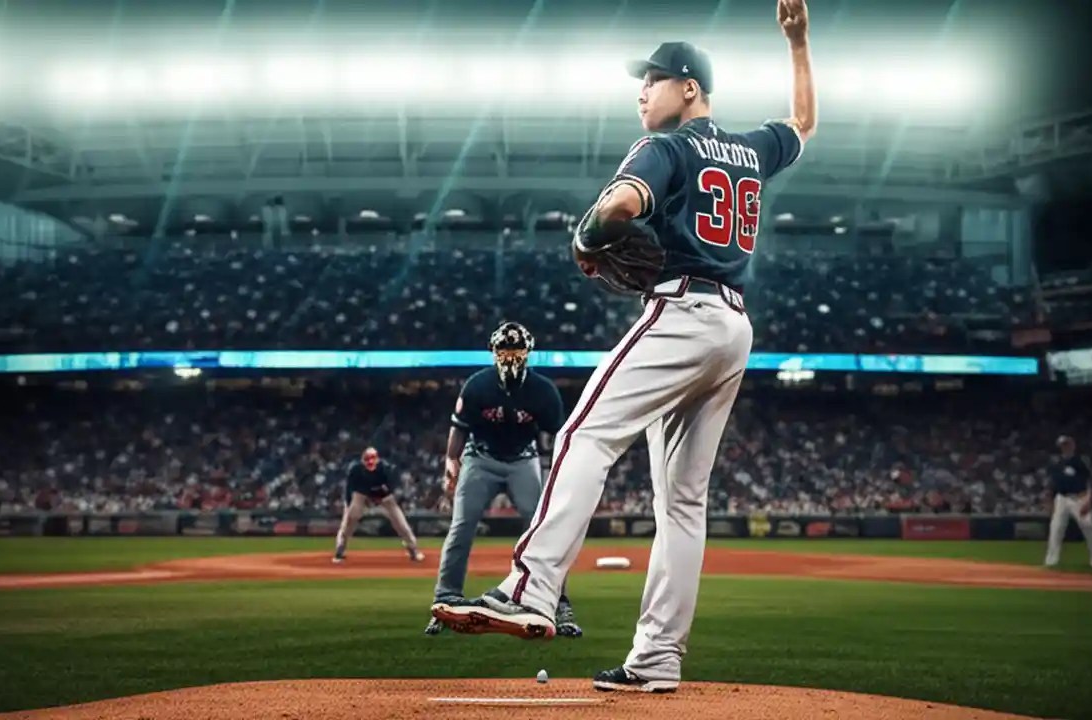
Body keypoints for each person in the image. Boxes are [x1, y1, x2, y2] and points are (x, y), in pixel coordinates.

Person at [433, 0, 817, 695]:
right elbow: (804, 126)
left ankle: (532, 587)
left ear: (690, 89)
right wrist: (798, 43)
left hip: (682, 309)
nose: (642, 90)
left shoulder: (665, 147)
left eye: (654, 78)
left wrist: (588, 232)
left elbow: (618, 209)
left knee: (586, 434)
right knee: (683, 503)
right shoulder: (751, 149)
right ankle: (657, 659)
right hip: (734, 329)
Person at [424, 322, 582, 637]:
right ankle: (445, 598)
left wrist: (562, 473)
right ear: (493, 351)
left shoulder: (543, 391)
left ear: (528, 352)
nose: (510, 356)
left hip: (524, 459)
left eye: (516, 349)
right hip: (480, 458)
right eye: (504, 349)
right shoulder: (477, 385)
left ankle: (558, 603)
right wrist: (450, 464)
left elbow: (560, 436)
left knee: (542, 531)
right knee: (461, 526)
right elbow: (459, 427)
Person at [333, 447, 425, 564]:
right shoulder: (355, 469)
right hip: (360, 493)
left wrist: (377, 499)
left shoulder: (385, 469)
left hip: (381, 493)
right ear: (362, 460)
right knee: (349, 520)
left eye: (372, 459)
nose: (370, 462)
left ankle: (413, 549)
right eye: (367, 460)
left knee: (400, 522)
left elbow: (391, 489)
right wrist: (349, 507)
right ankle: (340, 550)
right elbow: (349, 491)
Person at [1044, 436, 1092, 571]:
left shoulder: (1081, 460)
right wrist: (1049, 500)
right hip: (1061, 498)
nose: (1065, 447)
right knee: (1056, 528)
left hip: (1080, 497)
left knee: (1088, 527)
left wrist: (1089, 500)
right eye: (1062, 445)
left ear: (1073, 445)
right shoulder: (1056, 462)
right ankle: (1051, 561)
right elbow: (1051, 482)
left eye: (1067, 444)